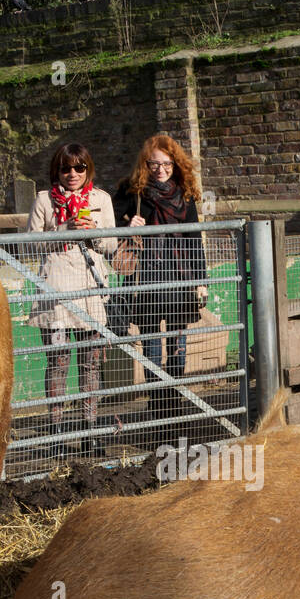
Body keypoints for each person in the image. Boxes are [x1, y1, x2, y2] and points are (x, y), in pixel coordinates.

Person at [26, 142, 118, 455]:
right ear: (57, 171)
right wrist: (65, 228)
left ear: (87, 168)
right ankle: (57, 435)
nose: (73, 174)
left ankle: (90, 433)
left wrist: (93, 231)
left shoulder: (100, 199)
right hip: (56, 293)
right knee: (58, 364)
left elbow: (111, 246)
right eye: (66, 168)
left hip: (90, 289)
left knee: (91, 365)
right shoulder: (43, 200)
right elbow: (30, 245)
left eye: (79, 167)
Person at [113, 134, 208, 418]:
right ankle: (157, 406)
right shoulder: (133, 191)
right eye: (154, 164)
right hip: (148, 278)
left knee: (178, 344)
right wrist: (130, 222)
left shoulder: (184, 192)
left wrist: (201, 281)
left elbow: (194, 238)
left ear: (175, 164)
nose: (160, 169)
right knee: (152, 345)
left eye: (166, 164)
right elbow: (109, 219)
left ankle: (173, 403)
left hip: (180, 277)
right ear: (146, 164)